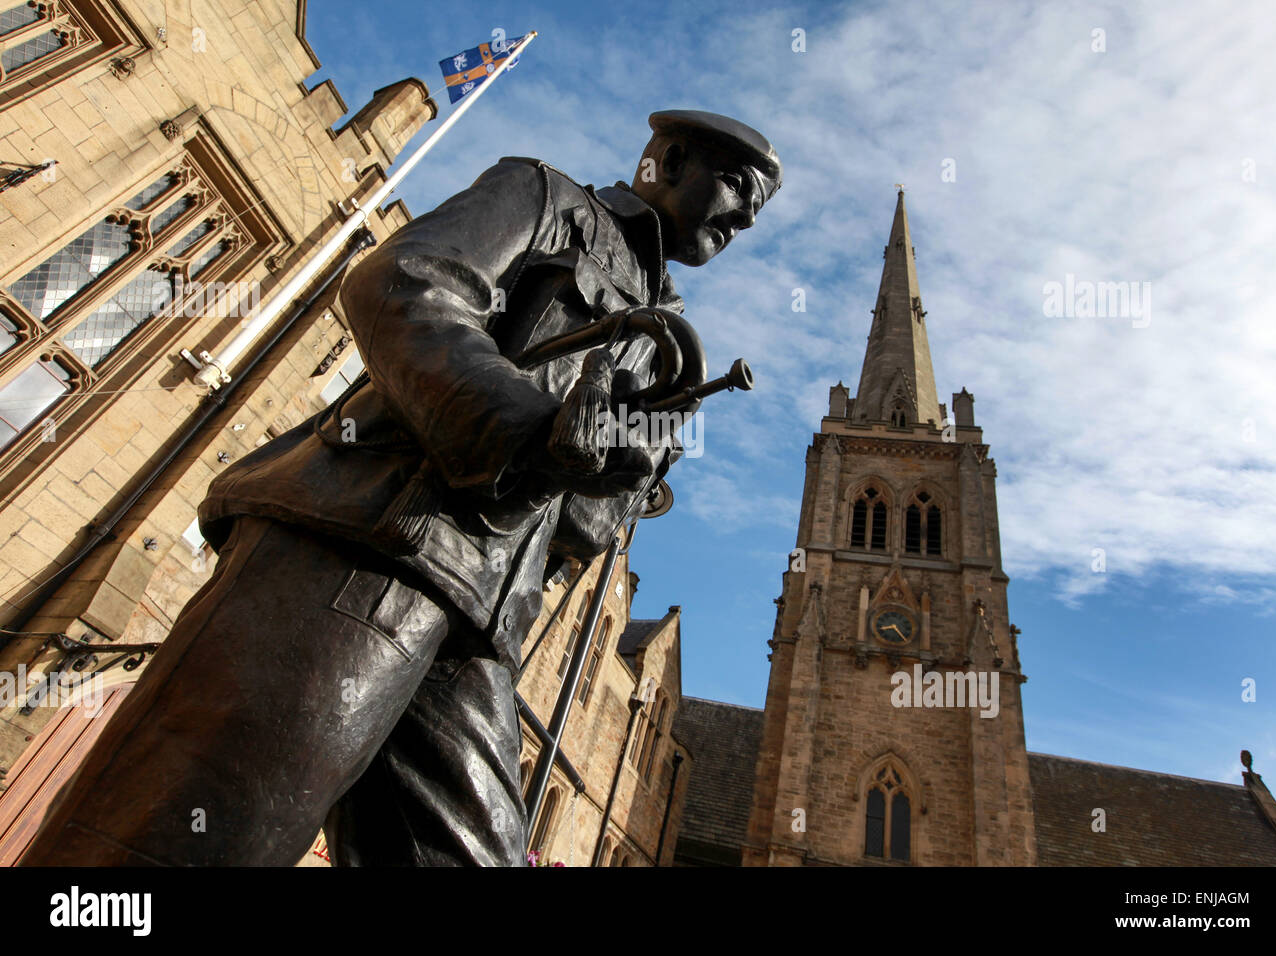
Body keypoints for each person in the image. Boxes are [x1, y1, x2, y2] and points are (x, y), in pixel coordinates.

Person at [20, 110, 781, 867]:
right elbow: (401, 285)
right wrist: (527, 420)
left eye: (760, 206)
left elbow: (578, 519)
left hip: (479, 622)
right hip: (367, 541)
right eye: (740, 186)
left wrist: (625, 462)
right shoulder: (546, 199)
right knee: (186, 840)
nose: (747, 215)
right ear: (673, 158)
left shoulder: (669, 323)